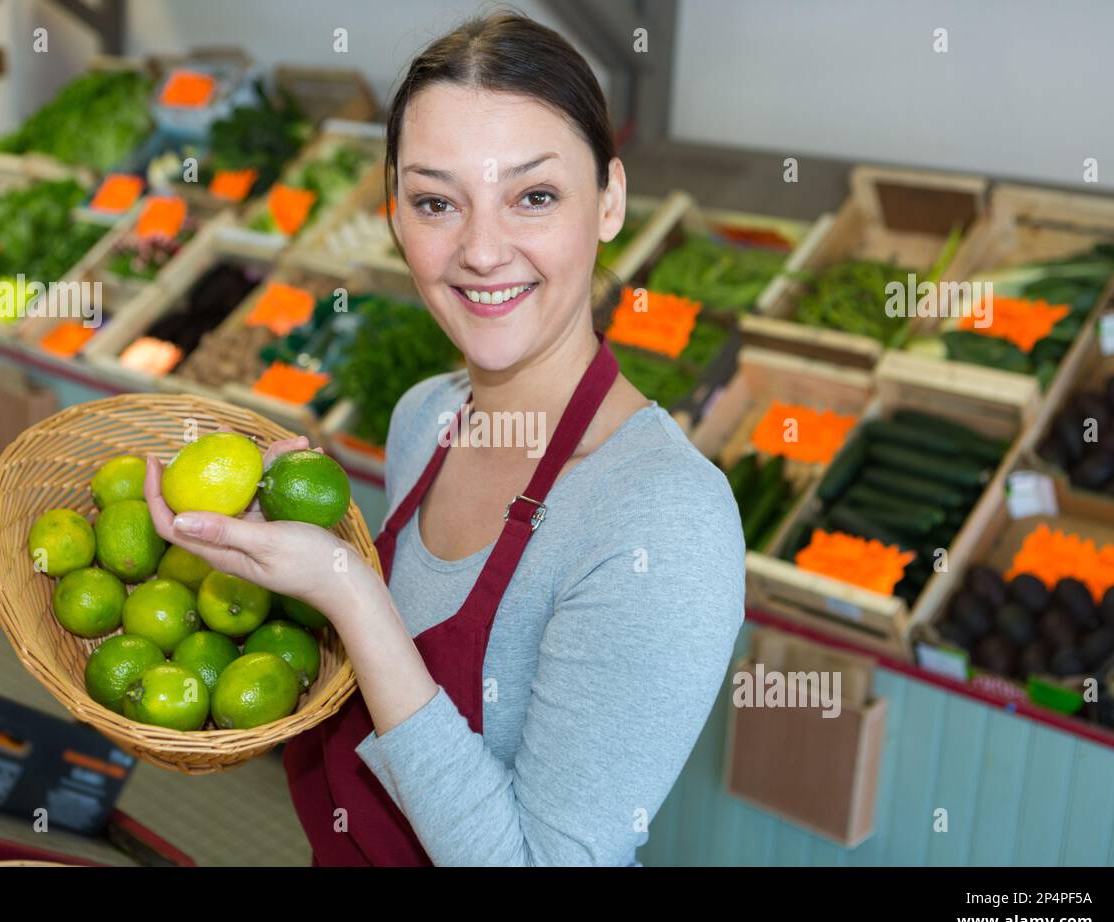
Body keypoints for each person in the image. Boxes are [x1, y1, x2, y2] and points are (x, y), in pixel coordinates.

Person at [144, 10, 745, 866]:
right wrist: (296, 572)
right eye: (437, 202)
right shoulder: (426, 417)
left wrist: (353, 595)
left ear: (610, 201)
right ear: (395, 215)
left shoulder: (663, 520)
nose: (482, 250)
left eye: (533, 196)